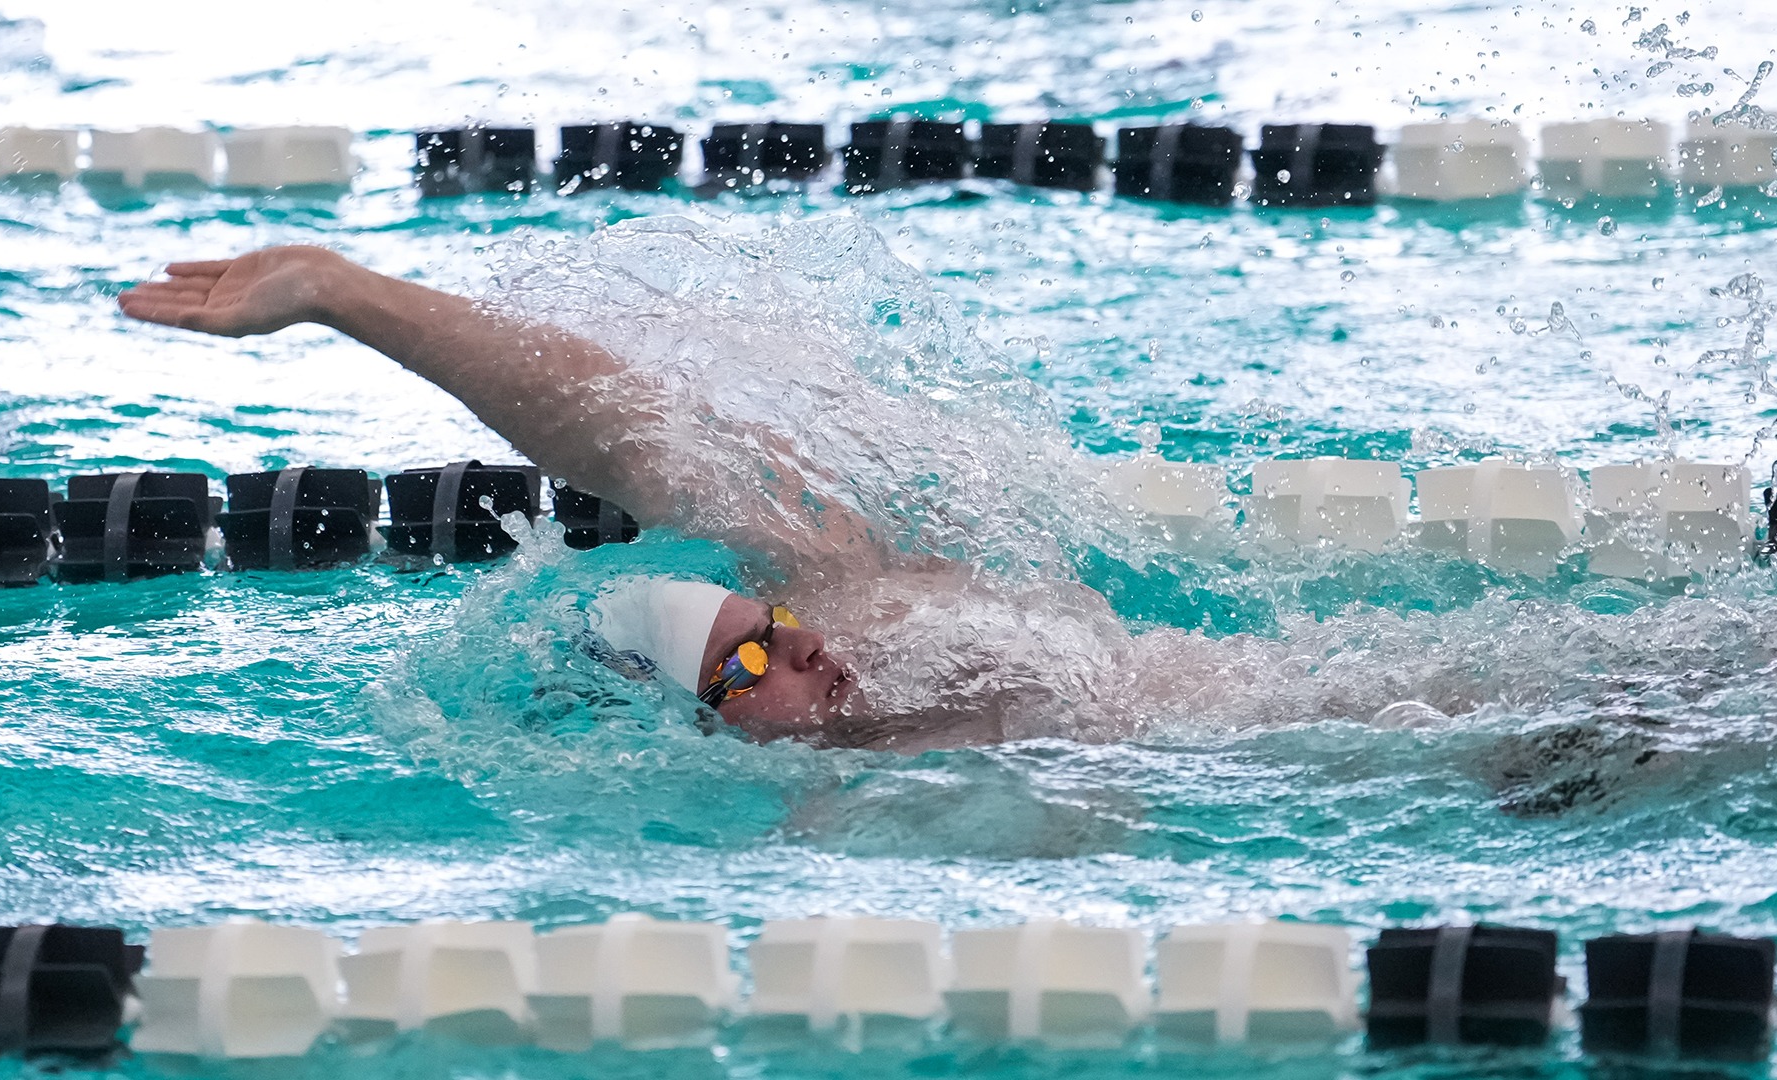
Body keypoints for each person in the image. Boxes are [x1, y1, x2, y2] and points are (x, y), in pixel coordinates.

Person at [118, 244, 1158, 750]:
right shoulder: (838, 814)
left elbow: (626, 431)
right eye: (748, 658)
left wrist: (340, 291)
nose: (800, 645)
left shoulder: (858, 591)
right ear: (696, 732)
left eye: (775, 623)